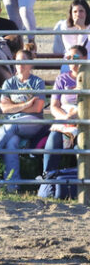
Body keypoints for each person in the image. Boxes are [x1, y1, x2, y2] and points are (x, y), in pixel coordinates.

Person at [0, 46, 46, 191]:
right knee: (11, 142)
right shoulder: (9, 83)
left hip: (33, 122)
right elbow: (4, 108)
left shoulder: (37, 82)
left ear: (30, 64)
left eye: (24, 61)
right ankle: (12, 185)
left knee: (10, 125)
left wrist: (15, 106)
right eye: (17, 61)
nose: (20, 64)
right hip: (14, 123)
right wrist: (27, 103)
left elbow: (37, 108)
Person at [43, 45, 87, 175]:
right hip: (65, 120)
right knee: (53, 139)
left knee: (81, 143)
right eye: (68, 57)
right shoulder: (62, 79)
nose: (72, 61)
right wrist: (66, 117)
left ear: (85, 58)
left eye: (76, 57)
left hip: (84, 120)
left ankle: (81, 178)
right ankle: (48, 178)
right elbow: (54, 106)